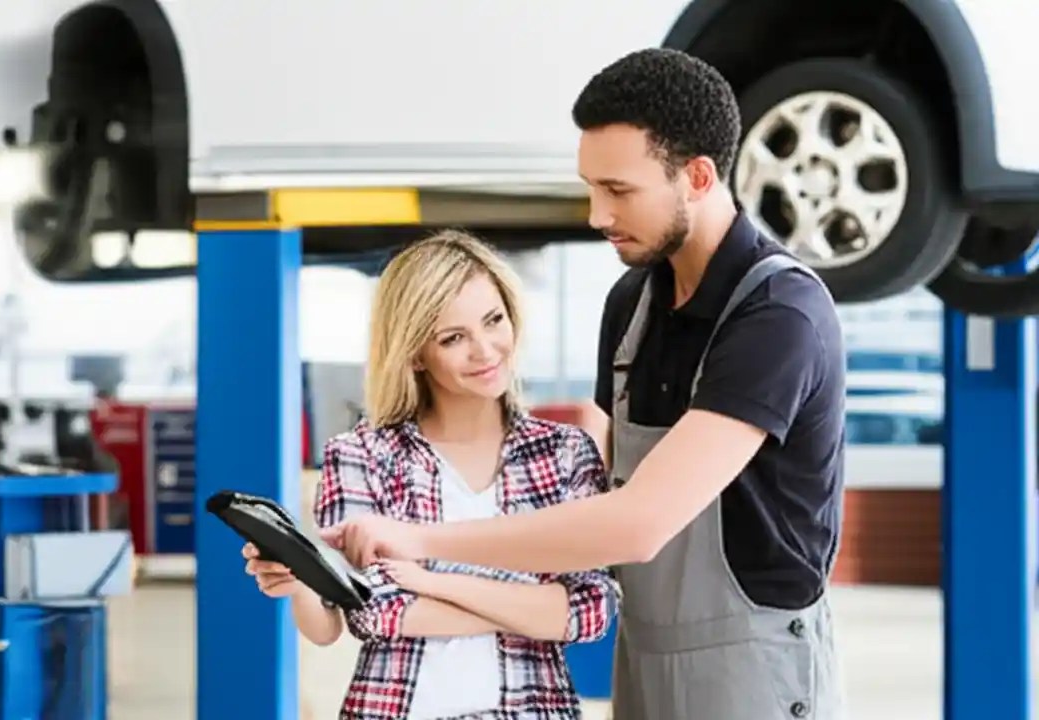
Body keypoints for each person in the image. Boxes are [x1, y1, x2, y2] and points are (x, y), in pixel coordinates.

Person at [321, 48, 848, 720]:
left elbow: (635, 524)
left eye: (619, 191)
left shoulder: (779, 315)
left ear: (697, 176)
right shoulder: (631, 305)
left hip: (754, 661)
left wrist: (419, 541)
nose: (597, 214)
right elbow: (587, 498)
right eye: (590, 186)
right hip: (643, 649)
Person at [242, 230, 617, 719]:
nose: (485, 350)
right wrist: (299, 586)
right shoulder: (362, 454)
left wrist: (429, 583)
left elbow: (587, 614)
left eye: (493, 320)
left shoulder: (564, 453)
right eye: (453, 338)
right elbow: (360, 615)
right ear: (416, 353)